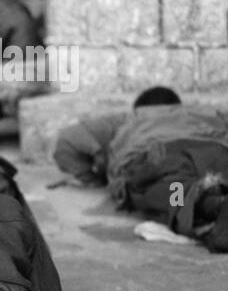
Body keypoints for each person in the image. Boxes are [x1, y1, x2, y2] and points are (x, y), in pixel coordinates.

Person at [53, 88, 228, 251]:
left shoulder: (130, 118)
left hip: (162, 156)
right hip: (216, 151)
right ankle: (214, 201)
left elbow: (67, 141)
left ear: (139, 107)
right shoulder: (207, 113)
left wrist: (95, 175)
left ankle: (210, 205)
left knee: (177, 191)